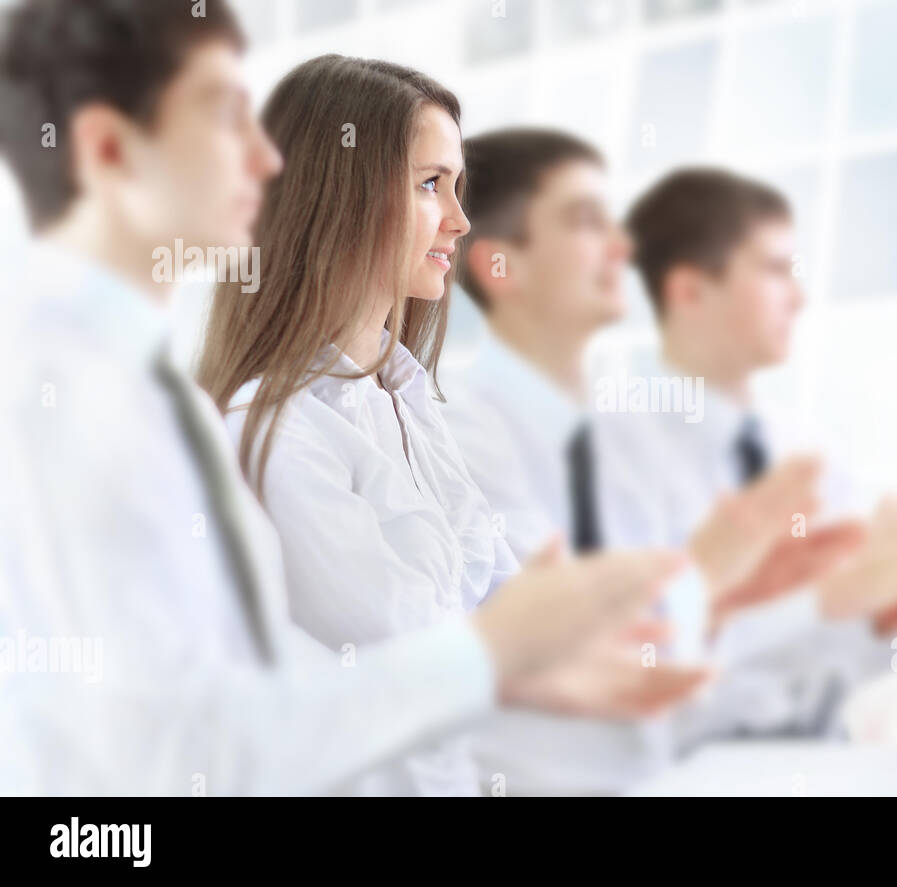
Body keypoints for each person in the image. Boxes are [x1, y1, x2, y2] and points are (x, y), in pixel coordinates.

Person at [0, 0, 691, 796]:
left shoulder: (397, 403)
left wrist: (546, 651)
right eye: (432, 184)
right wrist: (500, 654)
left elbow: (489, 617)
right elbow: (220, 733)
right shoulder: (230, 426)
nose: (261, 161)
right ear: (109, 148)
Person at [196, 55, 828, 795]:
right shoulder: (275, 434)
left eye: (459, 188)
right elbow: (436, 658)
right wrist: (692, 580)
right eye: (431, 185)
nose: (459, 220)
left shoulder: (411, 405)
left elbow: (512, 607)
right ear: (343, 195)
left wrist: (712, 589)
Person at [443, 129, 897, 792]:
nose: (622, 249)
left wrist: (867, 614)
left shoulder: (620, 445)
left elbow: (682, 656)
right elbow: (561, 656)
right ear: (500, 265)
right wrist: (735, 588)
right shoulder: (464, 439)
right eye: (585, 221)